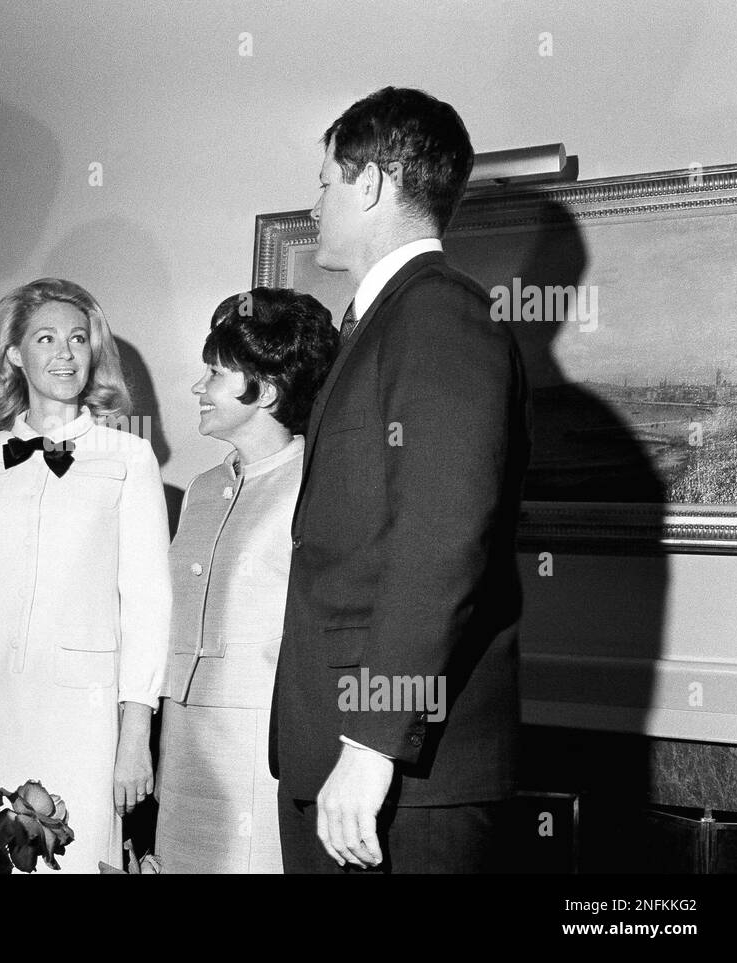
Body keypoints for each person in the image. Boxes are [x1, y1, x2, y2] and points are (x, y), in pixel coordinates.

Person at [271, 87, 532, 873]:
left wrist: (372, 744)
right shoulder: (388, 320)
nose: (315, 201)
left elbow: (441, 542)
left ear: (373, 184)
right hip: (355, 765)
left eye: (326, 181)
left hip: (393, 778)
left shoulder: (440, 316)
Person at [0, 278, 171, 873]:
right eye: (46, 338)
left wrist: (135, 732)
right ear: (12, 354)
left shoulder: (130, 457)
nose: (65, 352)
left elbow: (149, 602)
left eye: (79, 339)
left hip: (81, 712)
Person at [156, 288, 337, 874]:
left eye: (214, 374)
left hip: (262, 741)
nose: (197, 389)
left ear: (267, 391)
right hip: (184, 735)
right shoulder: (204, 487)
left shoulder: (316, 483)